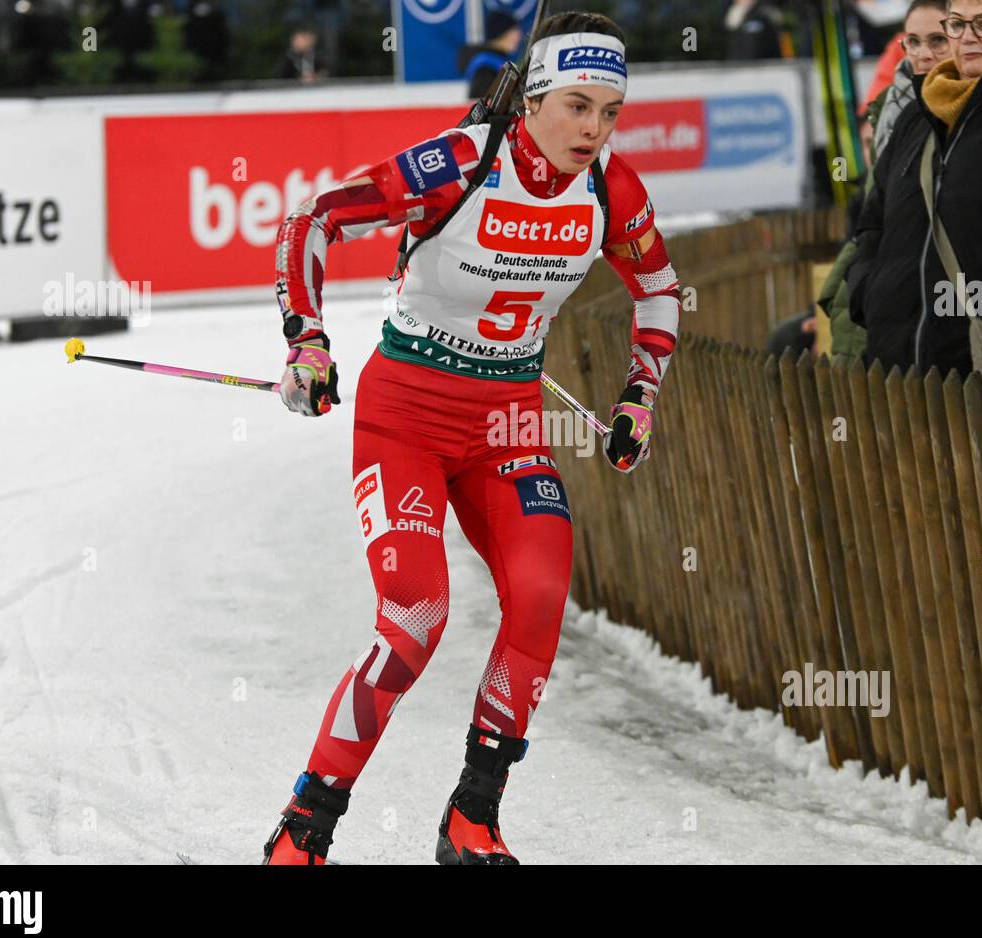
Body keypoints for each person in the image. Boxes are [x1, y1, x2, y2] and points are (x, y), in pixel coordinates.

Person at [261, 11, 682, 865]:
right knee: (414, 617)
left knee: (537, 596)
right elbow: (312, 220)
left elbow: (663, 290)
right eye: (576, 105)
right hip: (406, 416)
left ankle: (472, 818)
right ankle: (306, 825)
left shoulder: (610, 189)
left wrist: (641, 394)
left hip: (509, 422)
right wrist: (306, 340)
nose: (593, 128)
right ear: (532, 98)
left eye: (610, 110)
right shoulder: (460, 161)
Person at [847, 0, 982, 382]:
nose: (968, 37)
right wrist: (869, 291)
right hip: (894, 357)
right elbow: (872, 218)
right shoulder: (920, 109)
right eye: (957, 24)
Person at [823, 0, 951, 359]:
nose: (924, 53)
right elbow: (871, 215)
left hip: (946, 308)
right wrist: (867, 286)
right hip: (889, 304)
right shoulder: (896, 104)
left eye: (938, 40)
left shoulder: (975, 106)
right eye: (913, 42)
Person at [457, 10, 523, 100]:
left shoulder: (497, 61)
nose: (519, 36)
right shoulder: (486, 68)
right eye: (514, 30)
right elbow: (478, 105)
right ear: (502, 33)